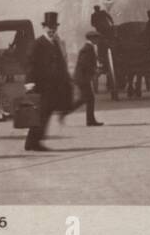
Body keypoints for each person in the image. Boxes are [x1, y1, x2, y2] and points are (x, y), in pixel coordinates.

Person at [25, 12, 72, 152]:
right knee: (41, 113)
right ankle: (33, 142)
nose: (52, 30)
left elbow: (61, 62)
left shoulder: (55, 42)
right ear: (44, 28)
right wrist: (30, 83)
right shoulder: (38, 43)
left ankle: (33, 141)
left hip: (54, 86)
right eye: (49, 28)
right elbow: (30, 64)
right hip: (41, 85)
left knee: (46, 112)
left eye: (54, 28)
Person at [68, 35, 104, 127]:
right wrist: (94, 70)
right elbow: (84, 63)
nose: (98, 40)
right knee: (89, 98)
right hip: (82, 78)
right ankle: (89, 120)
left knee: (87, 98)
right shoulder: (88, 48)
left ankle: (90, 120)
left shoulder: (89, 47)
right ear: (92, 39)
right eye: (97, 38)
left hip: (83, 77)